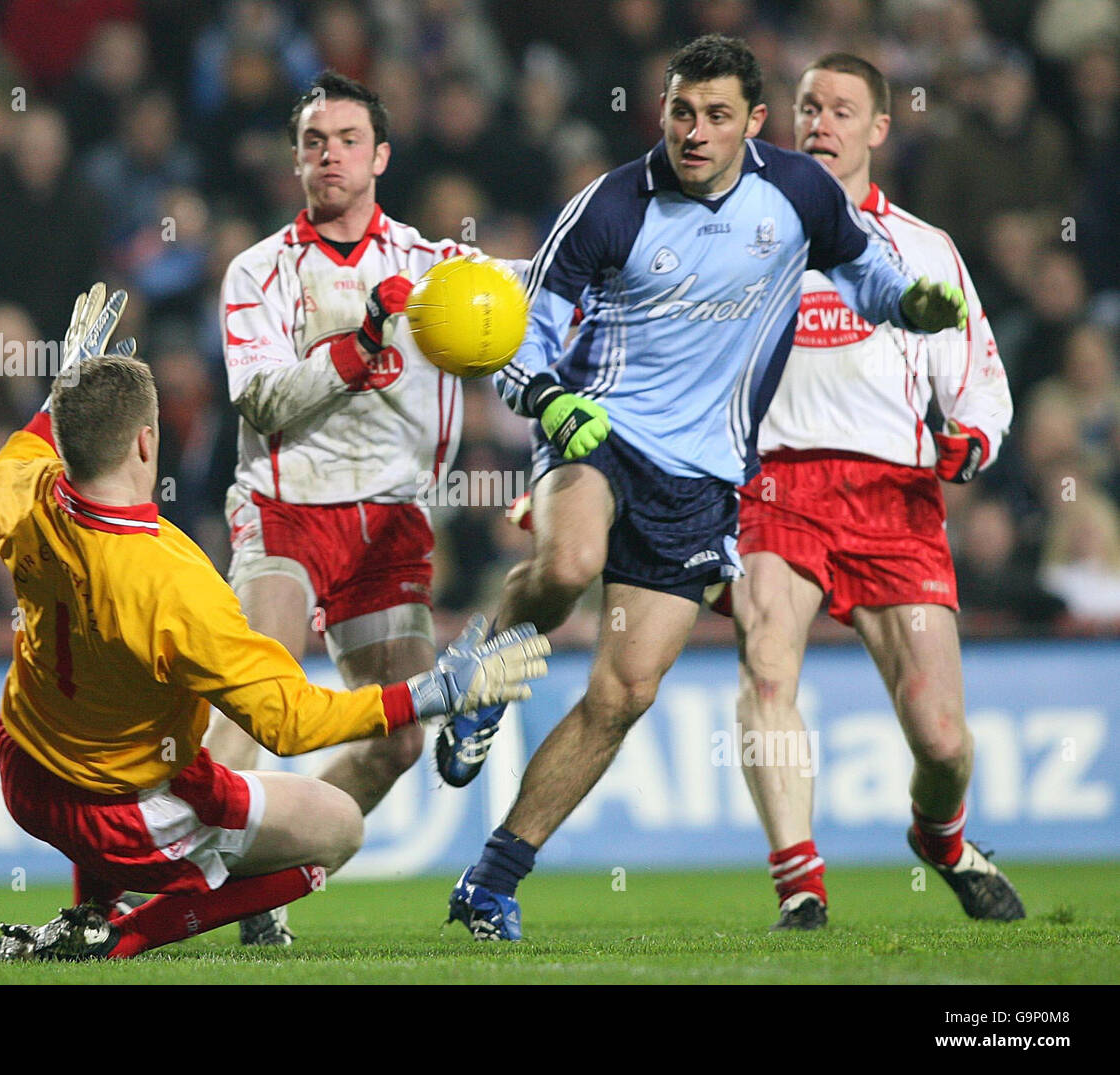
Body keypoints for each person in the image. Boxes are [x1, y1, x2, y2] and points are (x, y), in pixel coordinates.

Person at [442, 34, 969, 941]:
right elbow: (523, 336)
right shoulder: (611, 205)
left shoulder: (797, 191)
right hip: (600, 432)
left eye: (717, 115)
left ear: (753, 124)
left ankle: (491, 880)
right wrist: (547, 397)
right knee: (569, 560)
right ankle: (480, 672)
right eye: (681, 111)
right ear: (663, 111)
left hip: (702, 478)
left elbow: (864, 267)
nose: (695, 132)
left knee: (627, 692)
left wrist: (906, 302)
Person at [0, 284, 548, 962]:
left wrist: (60, 398)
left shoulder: (22, 497)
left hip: (27, 769)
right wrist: (432, 692)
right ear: (147, 442)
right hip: (121, 813)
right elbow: (288, 720)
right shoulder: (172, 585)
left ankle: (91, 910)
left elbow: (2, 479)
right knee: (332, 834)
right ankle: (118, 938)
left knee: (136, 738)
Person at [200, 70, 522, 945]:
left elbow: (519, 317)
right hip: (287, 507)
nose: (328, 154)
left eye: (346, 139)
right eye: (312, 141)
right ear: (296, 159)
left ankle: (255, 875)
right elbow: (261, 398)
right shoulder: (257, 270)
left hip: (391, 523)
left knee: (400, 738)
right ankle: (174, 882)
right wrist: (361, 345)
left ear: (380, 156)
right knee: (253, 705)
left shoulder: (437, 272)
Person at [731, 53, 1020, 929]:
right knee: (767, 663)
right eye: (808, 107)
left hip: (894, 497)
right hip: (777, 484)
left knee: (941, 738)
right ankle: (801, 883)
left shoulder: (924, 250)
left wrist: (970, 440)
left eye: (843, 110)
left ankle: (940, 836)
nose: (820, 122)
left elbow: (980, 381)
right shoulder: (743, 237)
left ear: (879, 129)